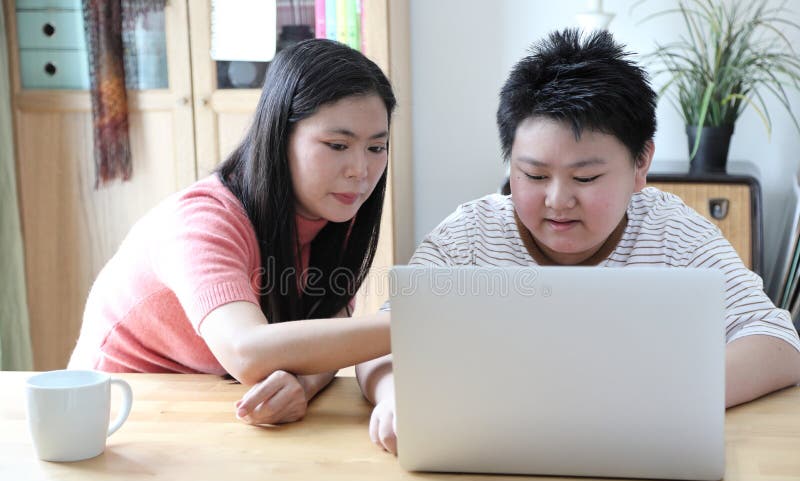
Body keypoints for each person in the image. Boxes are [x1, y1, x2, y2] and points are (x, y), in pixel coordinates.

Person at [358, 28, 800, 454]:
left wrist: (663, 398)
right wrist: (396, 396)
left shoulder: (673, 232)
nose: (557, 200)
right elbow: (375, 343)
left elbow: (778, 343)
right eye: (532, 175)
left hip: (639, 458)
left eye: (585, 177)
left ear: (640, 162)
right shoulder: (470, 235)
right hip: (495, 463)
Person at [69, 39, 394, 426]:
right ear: (279, 136)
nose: (360, 170)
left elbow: (332, 320)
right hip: (118, 411)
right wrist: (421, 323)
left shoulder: (334, 210)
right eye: (338, 145)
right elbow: (247, 351)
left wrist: (303, 384)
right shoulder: (203, 220)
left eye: (377, 148)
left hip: (219, 404)